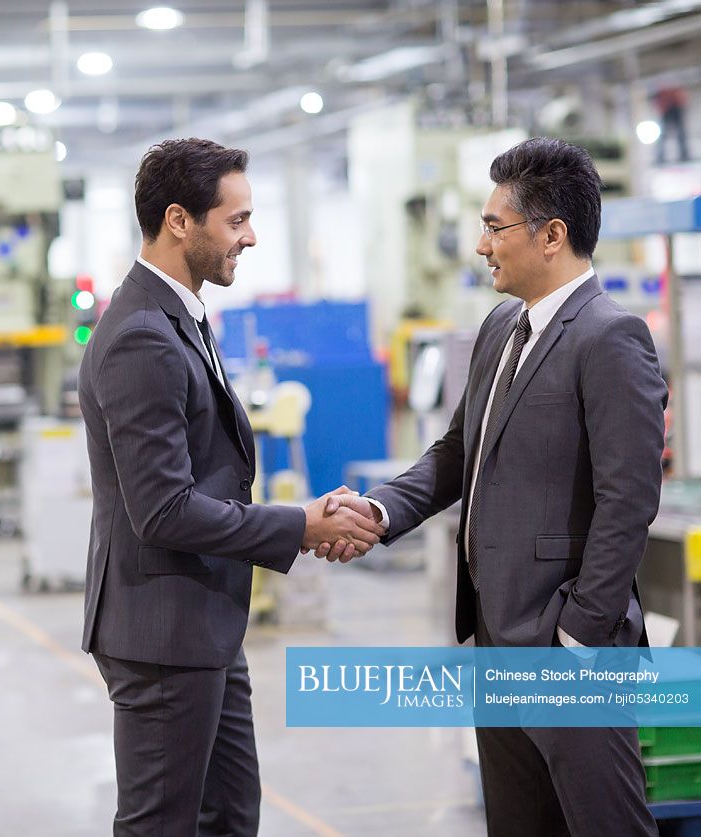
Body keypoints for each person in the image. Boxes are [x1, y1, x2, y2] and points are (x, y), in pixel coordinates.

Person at [324, 137, 666, 836]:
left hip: (565, 652)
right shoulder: (499, 327)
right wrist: (380, 507)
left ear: (551, 235)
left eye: (493, 226)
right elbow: (456, 454)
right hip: (495, 640)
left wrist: (576, 635)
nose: (479, 243)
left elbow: (628, 501)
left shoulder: (609, 336)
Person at [78, 138, 385, 836]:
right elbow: (161, 508)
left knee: (227, 816)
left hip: (200, 620)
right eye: (236, 219)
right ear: (179, 220)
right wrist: (298, 524)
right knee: (163, 823)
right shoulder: (141, 335)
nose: (250, 235)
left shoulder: (179, 316)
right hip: (162, 629)